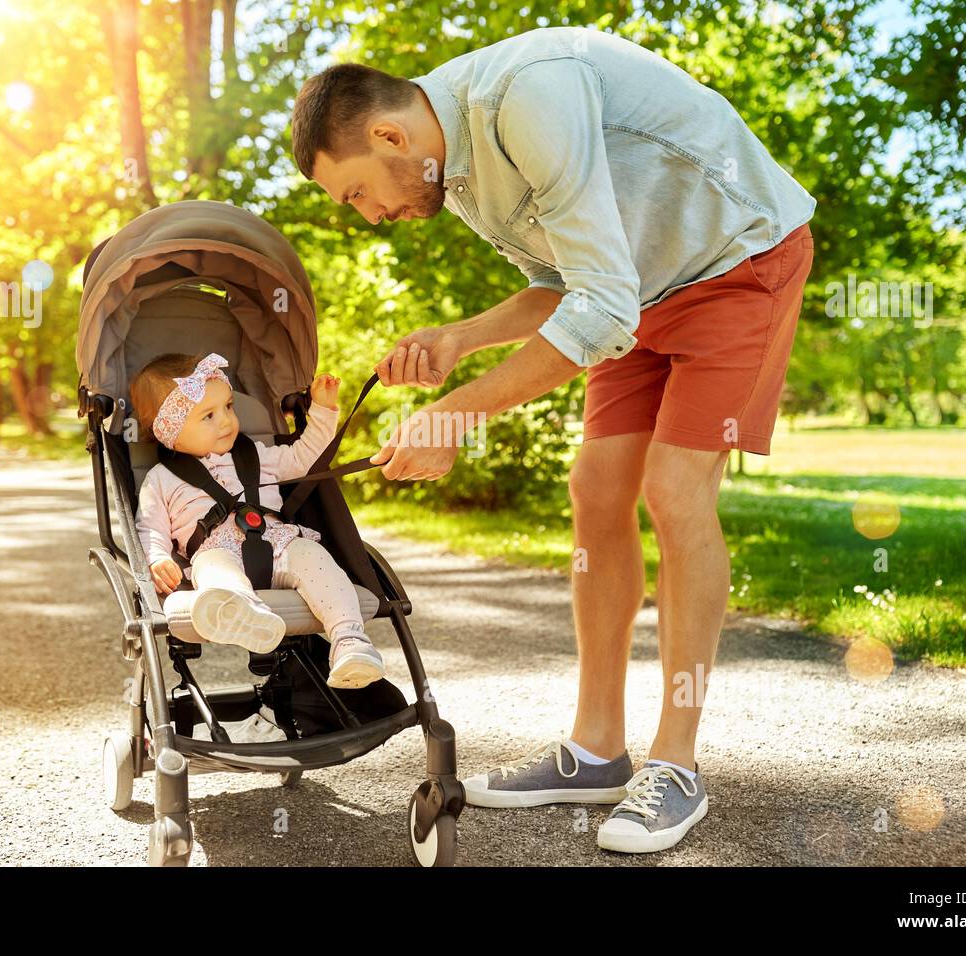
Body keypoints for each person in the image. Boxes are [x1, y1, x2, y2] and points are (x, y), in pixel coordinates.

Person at [291, 26, 816, 853]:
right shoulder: (451, 174)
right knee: (597, 490)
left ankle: (675, 765)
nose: (371, 218)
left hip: (737, 260)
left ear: (390, 136)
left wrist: (456, 414)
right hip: (636, 291)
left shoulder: (529, 95)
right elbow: (568, 285)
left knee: (675, 491)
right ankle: (596, 749)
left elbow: (599, 306)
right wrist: (462, 335)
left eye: (357, 194)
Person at [130, 351, 385, 690]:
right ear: (171, 432)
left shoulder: (256, 455)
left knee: (315, 558)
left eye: (229, 407)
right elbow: (149, 526)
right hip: (216, 552)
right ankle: (247, 615)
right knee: (212, 566)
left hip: (279, 544)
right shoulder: (162, 479)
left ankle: (349, 641)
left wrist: (323, 410)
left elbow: (305, 457)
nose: (225, 421)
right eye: (208, 416)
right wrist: (158, 557)